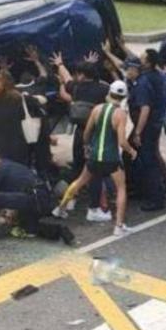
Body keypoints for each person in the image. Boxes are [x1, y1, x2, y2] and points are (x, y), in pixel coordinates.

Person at [52, 81, 138, 236]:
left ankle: (61, 208)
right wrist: (132, 151)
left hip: (94, 155)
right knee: (121, 189)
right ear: (123, 97)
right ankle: (118, 226)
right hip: (111, 158)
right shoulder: (120, 114)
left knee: (79, 182)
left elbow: (87, 133)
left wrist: (87, 147)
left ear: (109, 93)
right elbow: (121, 141)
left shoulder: (97, 109)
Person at [0, 151, 75, 245]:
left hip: (33, 197)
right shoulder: (11, 165)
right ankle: (59, 230)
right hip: (41, 198)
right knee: (29, 227)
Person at [52, 52, 110, 221]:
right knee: (95, 171)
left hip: (79, 134)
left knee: (78, 168)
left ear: (83, 75)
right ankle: (95, 207)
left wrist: (60, 64)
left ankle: (71, 201)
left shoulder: (77, 88)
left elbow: (67, 80)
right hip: (96, 134)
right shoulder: (103, 89)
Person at [137, 49, 166, 211]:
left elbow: (145, 109)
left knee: (149, 162)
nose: (139, 60)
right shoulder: (160, 76)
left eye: (142, 59)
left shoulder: (145, 81)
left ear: (148, 63)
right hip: (157, 123)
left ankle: (156, 198)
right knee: (153, 157)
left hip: (148, 126)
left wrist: (137, 132)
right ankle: (164, 185)